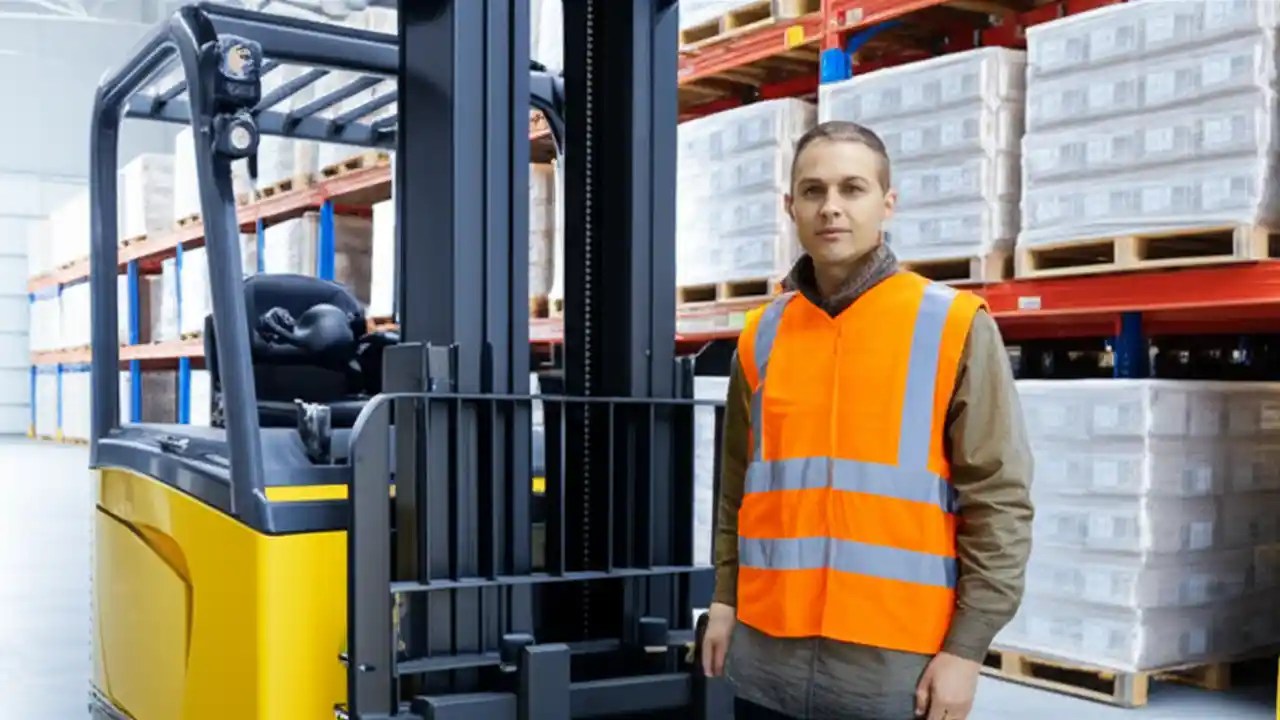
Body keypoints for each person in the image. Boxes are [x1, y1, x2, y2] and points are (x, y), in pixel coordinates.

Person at [699, 120, 1034, 720]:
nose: (831, 208)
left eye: (852, 189)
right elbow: (738, 491)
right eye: (813, 191)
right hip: (767, 659)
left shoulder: (952, 324)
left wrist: (967, 648)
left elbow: (999, 499)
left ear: (887, 203)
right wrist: (725, 597)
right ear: (790, 207)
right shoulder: (762, 335)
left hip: (893, 669)